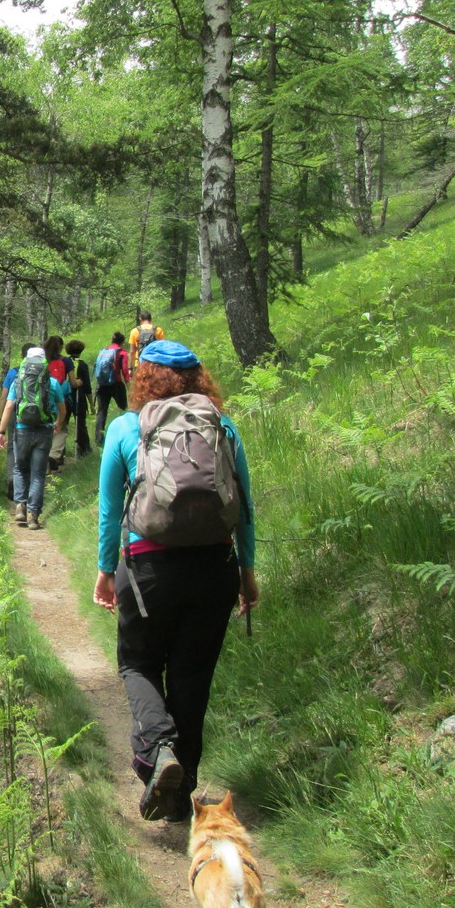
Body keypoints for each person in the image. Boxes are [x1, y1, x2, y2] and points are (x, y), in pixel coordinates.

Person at [92, 340, 260, 822]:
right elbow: (244, 507)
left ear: (143, 378)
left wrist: (106, 571)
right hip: (214, 567)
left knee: (139, 664)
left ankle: (158, 750)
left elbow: (109, 509)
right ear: (197, 379)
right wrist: (246, 573)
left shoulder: (128, 427)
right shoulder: (222, 426)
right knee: (192, 677)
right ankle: (182, 795)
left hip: (148, 570)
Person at [0, 345, 68, 530]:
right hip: (44, 431)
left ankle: (20, 506)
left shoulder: (17, 382)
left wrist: (1, 432)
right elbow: (62, 409)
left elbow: (9, 408)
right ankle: (33, 515)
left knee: (20, 468)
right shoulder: (52, 383)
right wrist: (58, 423)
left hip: (21, 430)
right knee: (38, 473)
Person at [0, 343, 32, 499]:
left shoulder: (13, 372)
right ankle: (27, 484)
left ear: (21, 355)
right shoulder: (41, 373)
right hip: (33, 416)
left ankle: (12, 480)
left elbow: (4, 397)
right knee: (31, 449)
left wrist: (1, 421)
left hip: (13, 413)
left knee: (12, 447)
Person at [93, 332, 131, 449]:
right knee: (125, 408)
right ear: (122, 342)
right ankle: (127, 434)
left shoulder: (104, 351)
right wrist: (129, 385)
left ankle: (99, 439)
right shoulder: (122, 352)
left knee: (102, 411)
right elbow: (124, 370)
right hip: (116, 384)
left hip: (102, 385)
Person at [44, 335, 74, 472]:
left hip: (45, 399)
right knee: (61, 428)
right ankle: (54, 456)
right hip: (61, 397)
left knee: (47, 428)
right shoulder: (66, 361)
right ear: (61, 347)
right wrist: (79, 383)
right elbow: (73, 382)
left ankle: (47, 458)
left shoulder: (43, 360)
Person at [65, 338, 93, 458]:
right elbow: (87, 386)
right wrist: (91, 404)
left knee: (62, 423)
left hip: (65, 397)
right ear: (81, 350)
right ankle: (84, 449)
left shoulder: (64, 362)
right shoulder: (82, 365)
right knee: (80, 424)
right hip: (78, 397)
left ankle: (59, 450)